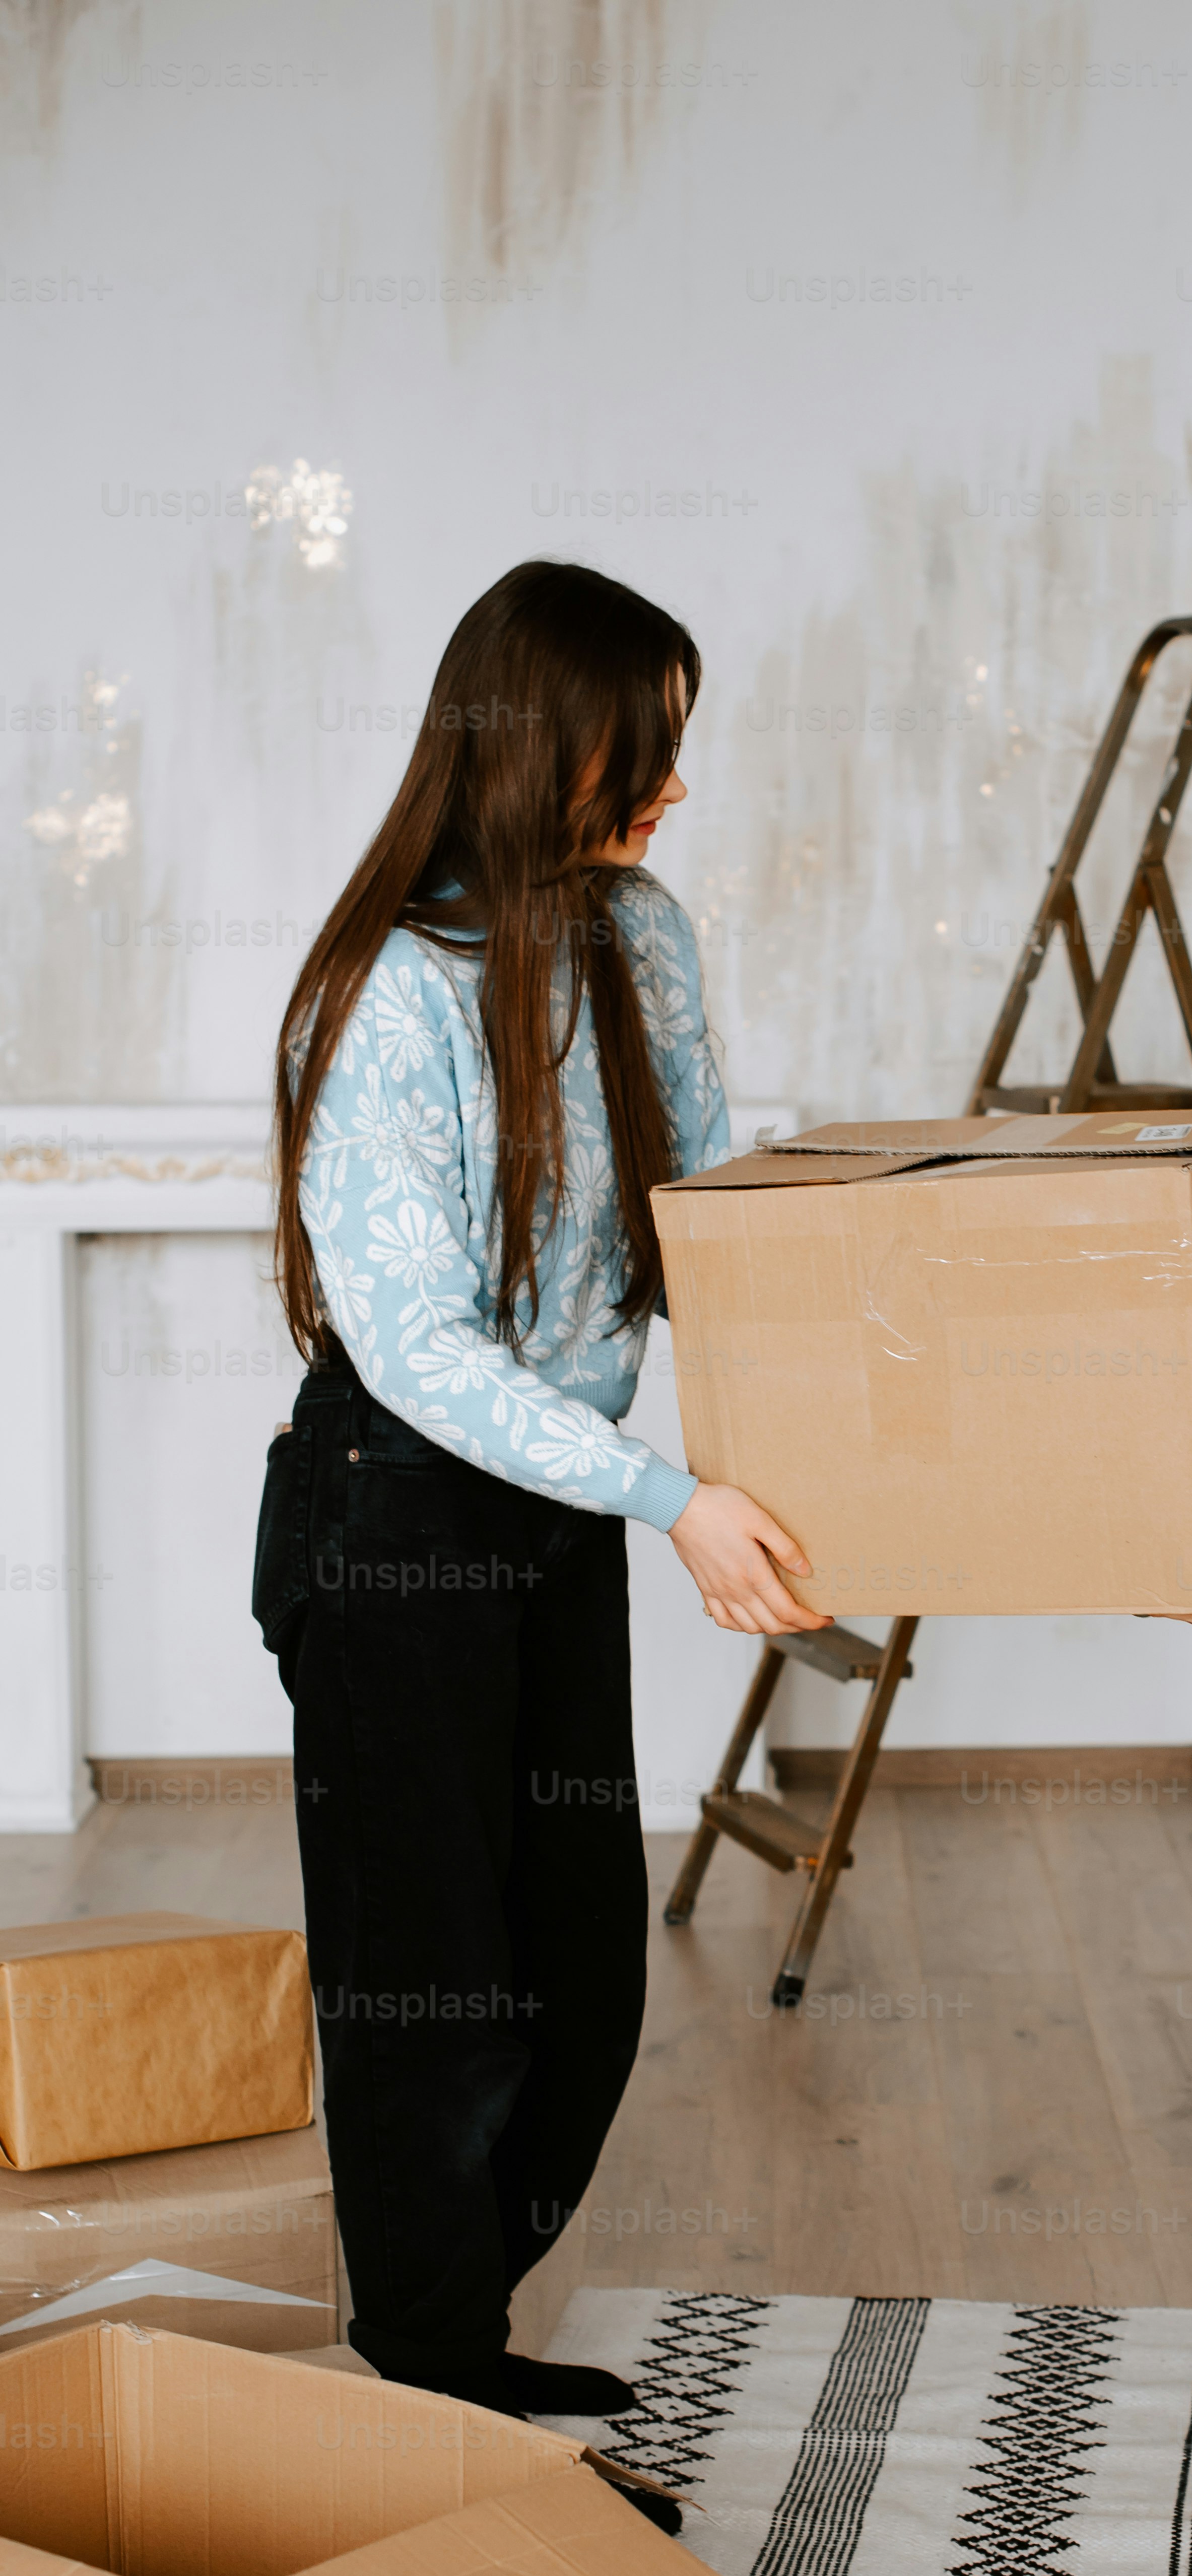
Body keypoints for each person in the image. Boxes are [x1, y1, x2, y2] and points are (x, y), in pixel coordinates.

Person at [254, 560, 830, 2445]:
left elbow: (705, 1208)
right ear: (534, 748)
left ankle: (456, 2347)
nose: (672, 786)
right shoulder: (381, 997)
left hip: (555, 1511)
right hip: (397, 1510)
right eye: (640, 749)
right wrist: (673, 1495)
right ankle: (434, 2397)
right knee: (431, 1993)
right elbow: (421, 1351)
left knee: (578, 1977)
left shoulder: (636, 933)